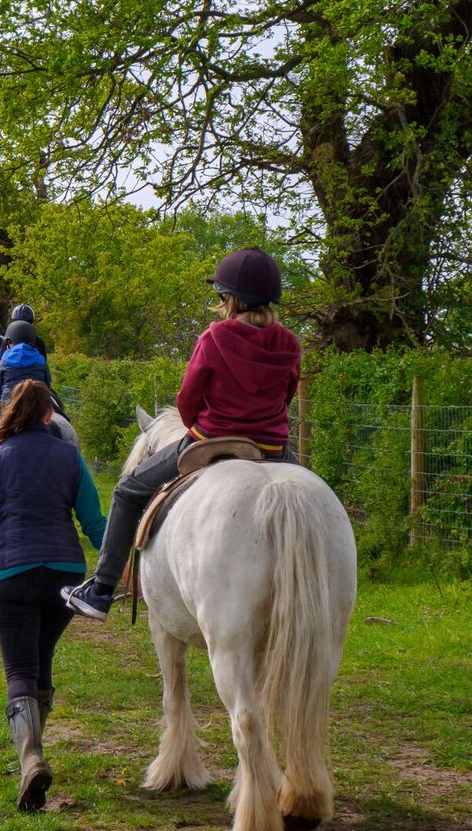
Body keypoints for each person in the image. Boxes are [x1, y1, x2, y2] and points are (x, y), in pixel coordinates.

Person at [62, 247, 300, 620]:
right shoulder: (289, 341)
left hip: (210, 441)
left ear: (230, 298)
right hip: (272, 447)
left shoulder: (214, 337)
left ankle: (102, 589)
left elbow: (188, 400)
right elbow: (288, 392)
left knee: (126, 493)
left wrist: (199, 422)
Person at [0, 379, 106, 813]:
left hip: (12, 572)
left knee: (19, 668)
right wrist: (123, 564)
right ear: (49, 415)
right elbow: (95, 522)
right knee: (41, 657)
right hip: (65, 572)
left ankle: (30, 760)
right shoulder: (70, 456)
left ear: (14, 413)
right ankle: (34, 754)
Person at [0, 321, 51, 401]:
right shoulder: (40, 358)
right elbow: (47, 383)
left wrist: (2, 400)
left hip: (9, 399)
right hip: (37, 401)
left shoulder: (5, 358)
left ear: (9, 341)